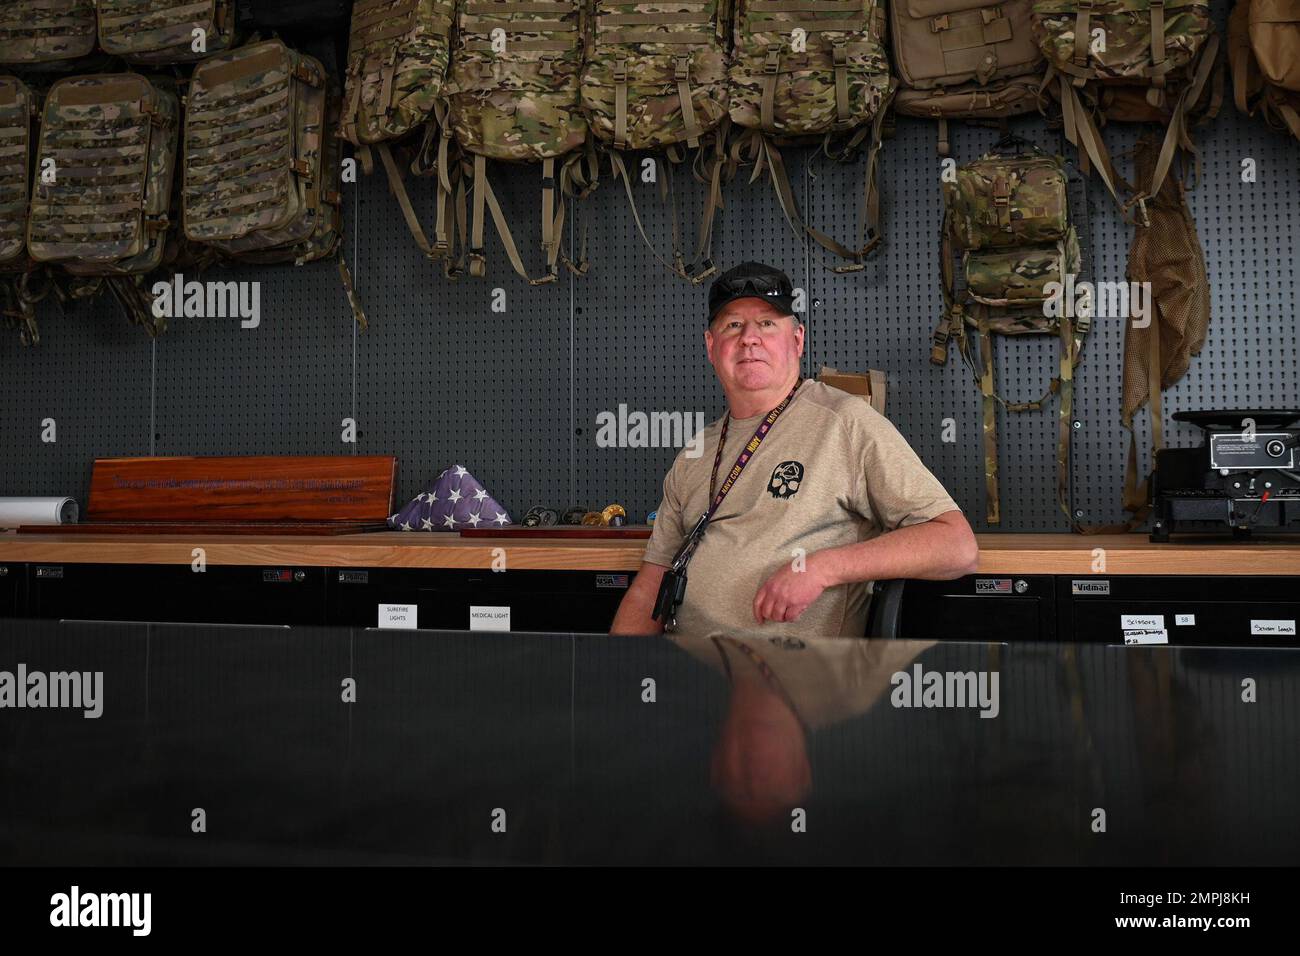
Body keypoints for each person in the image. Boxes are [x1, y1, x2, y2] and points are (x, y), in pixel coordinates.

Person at [609, 261, 979, 638]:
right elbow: (653, 581)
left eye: (767, 323)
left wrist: (820, 568)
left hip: (792, 684)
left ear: (798, 340)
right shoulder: (696, 452)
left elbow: (956, 544)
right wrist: (618, 673)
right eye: (733, 325)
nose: (749, 338)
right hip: (689, 676)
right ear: (710, 346)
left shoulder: (845, 423)